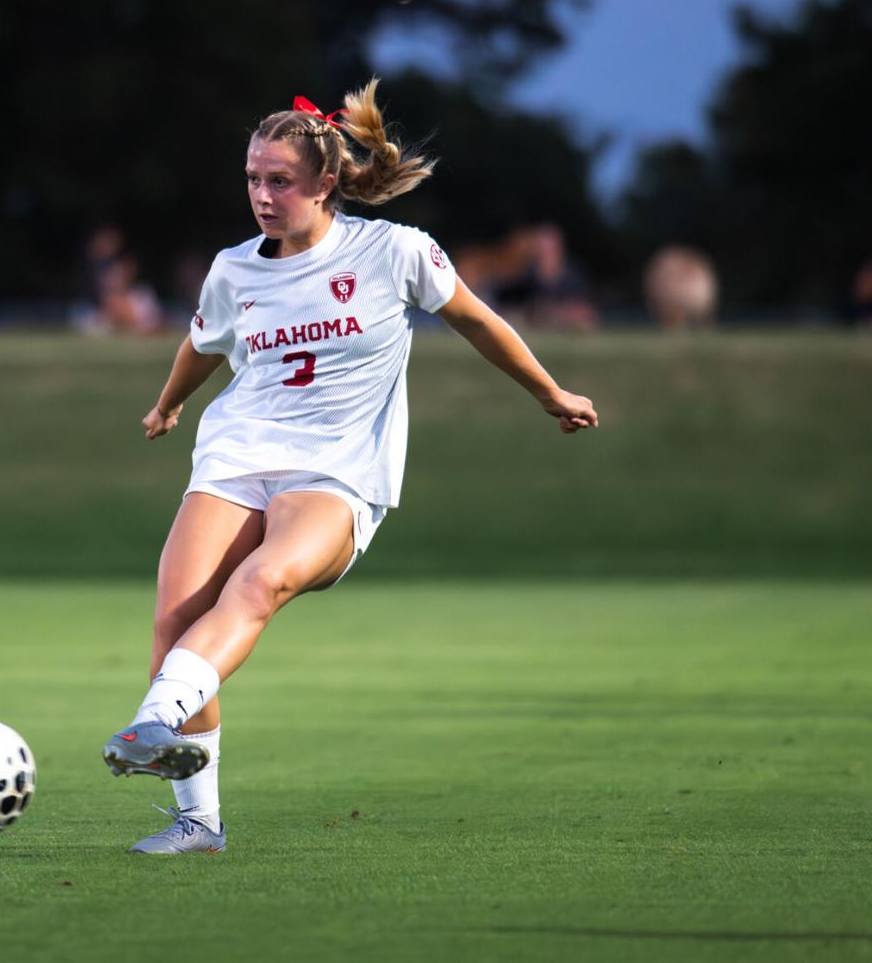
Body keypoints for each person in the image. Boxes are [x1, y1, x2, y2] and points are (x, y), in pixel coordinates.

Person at [99, 81, 598, 854]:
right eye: (252, 179)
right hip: (236, 452)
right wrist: (168, 407)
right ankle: (197, 824)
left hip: (334, 472)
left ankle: (155, 723)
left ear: (325, 183)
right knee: (174, 627)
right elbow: (201, 344)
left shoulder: (393, 250)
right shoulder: (234, 269)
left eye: (279, 181)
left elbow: (477, 319)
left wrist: (550, 391)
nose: (262, 196)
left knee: (259, 583)